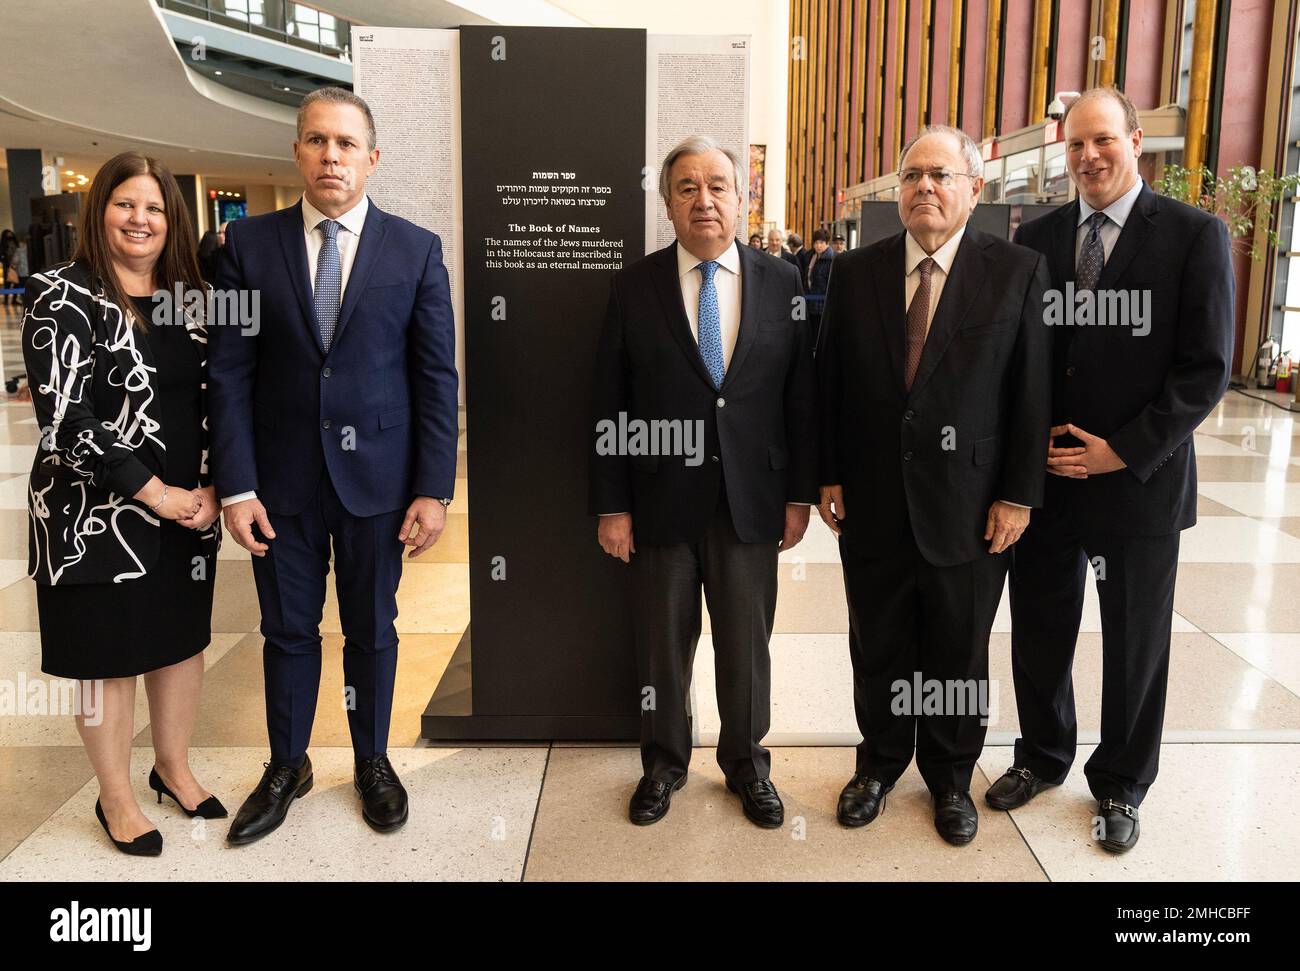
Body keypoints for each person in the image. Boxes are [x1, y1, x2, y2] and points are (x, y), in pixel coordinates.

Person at [209, 86, 459, 845]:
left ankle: (372, 761)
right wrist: (236, 485)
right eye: (316, 140)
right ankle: (287, 765)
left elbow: (436, 377)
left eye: (346, 143)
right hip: (278, 486)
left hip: (378, 483)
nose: (330, 155)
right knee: (287, 629)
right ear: (296, 152)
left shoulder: (416, 249)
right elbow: (228, 372)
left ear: (372, 158)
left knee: (371, 630)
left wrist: (433, 487)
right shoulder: (244, 246)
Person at [997, 87, 1234, 853]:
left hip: (1139, 482)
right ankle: (1041, 755)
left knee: (1135, 642)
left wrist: (1121, 449)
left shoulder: (1195, 235)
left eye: (1103, 140)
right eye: (1074, 146)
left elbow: (1205, 370)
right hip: (1048, 478)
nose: (1088, 157)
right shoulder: (1036, 235)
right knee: (1038, 628)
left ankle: (1123, 782)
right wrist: (1023, 446)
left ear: (1136, 141)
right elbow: (1019, 358)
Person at [817, 125, 1050, 845]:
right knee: (879, 642)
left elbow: (1030, 393)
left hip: (973, 508)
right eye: (913, 175)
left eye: (942, 175)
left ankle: (950, 776)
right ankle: (880, 764)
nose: (925, 187)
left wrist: (1019, 493)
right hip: (874, 504)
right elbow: (829, 382)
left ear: (974, 189)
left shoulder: (1016, 271)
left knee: (958, 648)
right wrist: (826, 471)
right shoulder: (855, 273)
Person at [590, 135, 818, 828]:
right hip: (660, 503)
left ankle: (748, 765)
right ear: (667, 203)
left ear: (742, 198)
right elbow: (609, 401)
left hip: (752, 500)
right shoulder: (634, 285)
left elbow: (800, 396)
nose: (704, 200)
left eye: (718, 185)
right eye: (687, 187)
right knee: (662, 646)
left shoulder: (783, 284)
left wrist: (799, 493)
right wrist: (612, 505)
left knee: (746, 648)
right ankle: (662, 764)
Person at [21, 151, 226, 856]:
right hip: (92, 519)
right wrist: (157, 493)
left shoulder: (188, 300)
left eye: (155, 208)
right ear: (98, 211)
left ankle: (173, 767)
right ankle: (116, 795)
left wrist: (211, 486)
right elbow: (68, 420)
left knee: (179, 643)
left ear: (173, 222)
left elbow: (214, 399)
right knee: (104, 658)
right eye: (125, 204)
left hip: (187, 512)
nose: (141, 219)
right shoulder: (61, 294)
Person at [1, 228, 17, 305]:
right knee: (9, 284)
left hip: (14, 265)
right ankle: (8, 300)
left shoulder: (13, 243)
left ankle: (13, 300)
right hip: (8, 266)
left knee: (15, 283)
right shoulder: (4, 245)